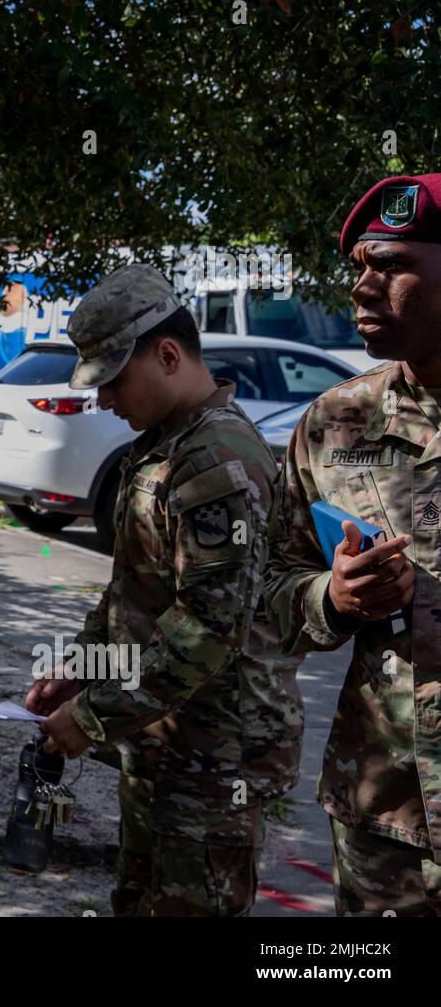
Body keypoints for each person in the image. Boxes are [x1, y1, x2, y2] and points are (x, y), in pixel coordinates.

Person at [25, 263, 302, 916]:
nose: (103, 400)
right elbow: (134, 590)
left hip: (212, 762)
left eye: (113, 380)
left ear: (168, 355)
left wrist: (92, 716)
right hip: (163, 741)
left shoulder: (215, 462)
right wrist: (80, 667)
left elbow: (208, 625)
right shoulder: (166, 446)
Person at [265, 173, 441, 916]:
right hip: (386, 821)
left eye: (391, 265)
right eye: (359, 268)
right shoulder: (336, 422)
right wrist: (330, 599)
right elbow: (268, 589)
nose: (364, 287)